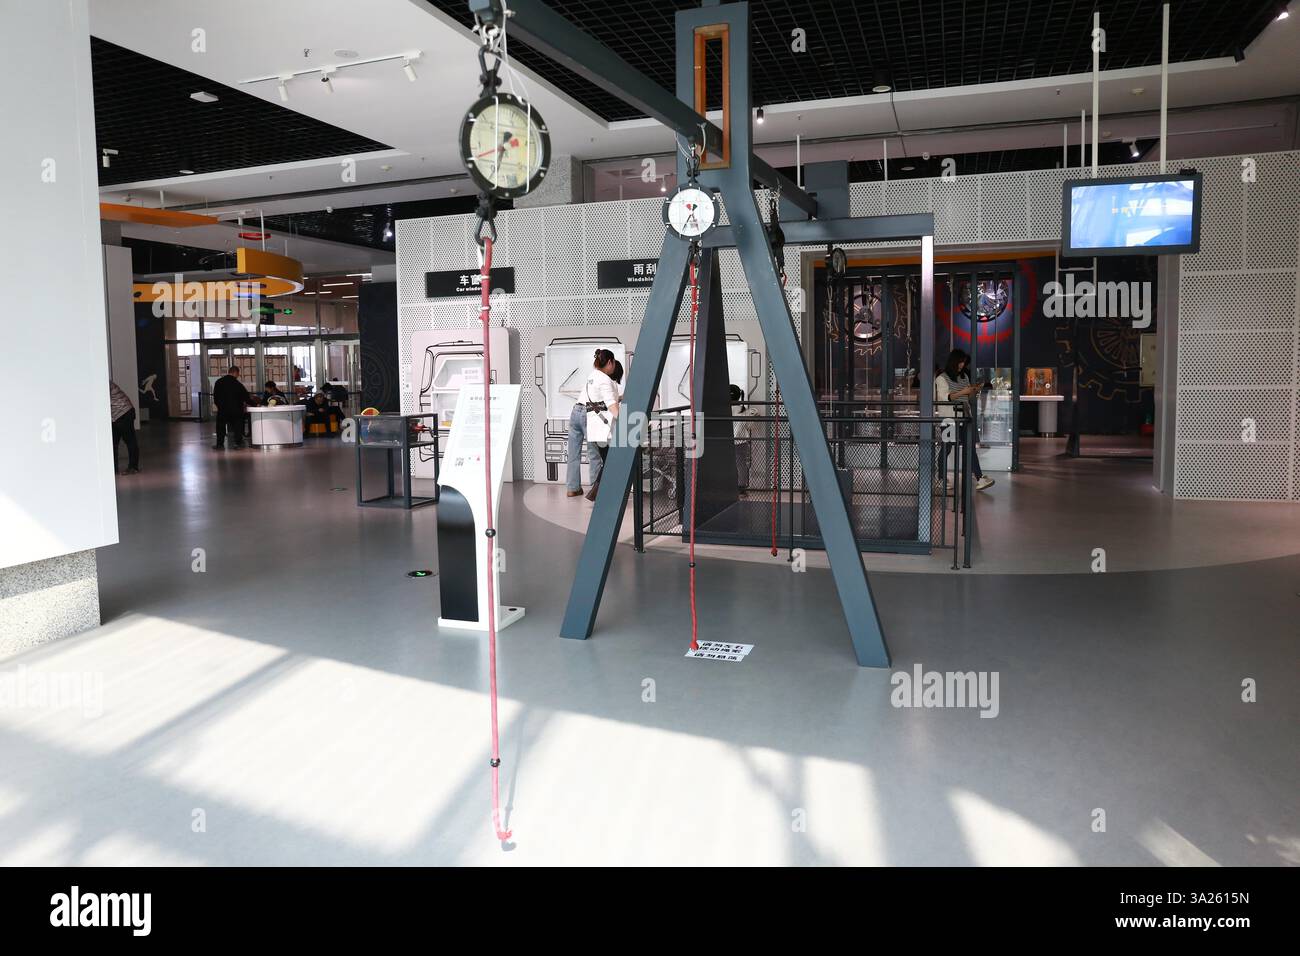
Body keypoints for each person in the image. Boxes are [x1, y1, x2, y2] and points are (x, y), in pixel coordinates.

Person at [935, 349, 994, 491]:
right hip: (949, 419)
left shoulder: (964, 377)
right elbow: (946, 397)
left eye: (964, 362)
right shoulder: (941, 378)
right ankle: (941, 478)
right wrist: (965, 391)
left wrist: (974, 390)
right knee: (946, 448)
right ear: (953, 361)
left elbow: (966, 397)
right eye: (960, 362)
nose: (962, 365)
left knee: (970, 448)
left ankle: (979, 478)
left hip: (964, 418)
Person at [565, 357, 624, 498]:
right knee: (594, 453)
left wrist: (618, 398)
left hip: (575, 411)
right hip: (587, 414)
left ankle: (572, 488)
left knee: (573, 453)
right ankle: (596, 490)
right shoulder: (608, 382)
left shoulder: (594, 378)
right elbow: (610, 404)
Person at [583, 348, 621, 501]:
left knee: (607, 462)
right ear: (610, 362)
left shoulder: (592, 377)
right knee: (610, 462)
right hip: (605, 429)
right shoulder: (604, 379)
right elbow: (611, 406)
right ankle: (597, 493)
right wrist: (626, 424)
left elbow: (599, 402)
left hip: (595, 426)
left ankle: (599, 493)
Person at [730, 384, 759, 497]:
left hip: (725, 440)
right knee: (741, 464)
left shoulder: (724, 409)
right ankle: (741, 488)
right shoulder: (743, 410)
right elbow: (750, 425)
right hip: (741, 441)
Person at [212, 365, 251, 449]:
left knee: (220, 427)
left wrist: (219, 406)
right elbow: (246, 397)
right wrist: (255, 404)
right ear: (235, 372)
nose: (238, 376)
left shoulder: (219, 382)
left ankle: (220, 444)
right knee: (237, 427)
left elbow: (215, 396)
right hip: (236, 410)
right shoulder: (238, 384)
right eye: (238, 374)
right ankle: (238, 444)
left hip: (222, 410)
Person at [108, 380, 140, 474]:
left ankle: (133, 467)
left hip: (124, 413)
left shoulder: (103, 383)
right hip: (118, 415)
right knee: (113, 443)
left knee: (130, 441)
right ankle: (113, 469)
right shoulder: (102, 381)